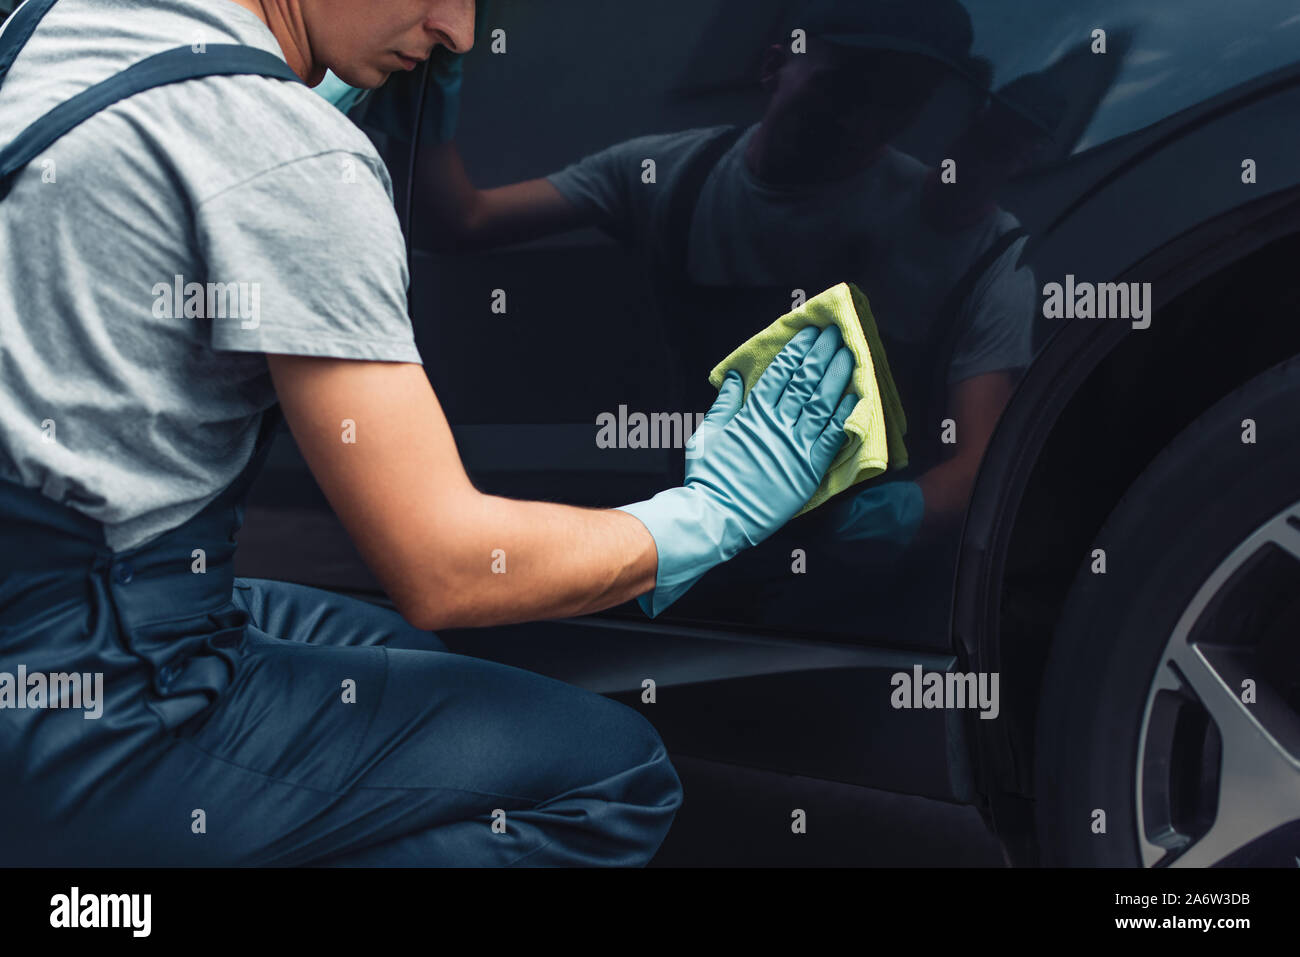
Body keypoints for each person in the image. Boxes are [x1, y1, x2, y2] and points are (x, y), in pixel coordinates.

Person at [0, 0, 856, 866]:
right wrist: (707, 515)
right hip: (96, 700)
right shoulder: (290, 152)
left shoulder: (55, 22)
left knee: (393, 656)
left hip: (41, 606)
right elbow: (444, 567)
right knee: (612, 776)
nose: (459, 31)